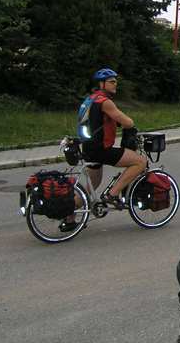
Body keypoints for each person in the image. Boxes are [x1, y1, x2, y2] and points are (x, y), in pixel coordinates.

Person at [61, 68, 146, 232]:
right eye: (111, 81)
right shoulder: (105, 101)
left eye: (116, 81)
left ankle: (68, 217)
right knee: (140, 161)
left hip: (88, 148)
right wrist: (127, 123)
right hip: (101, 150)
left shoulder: (90, 99)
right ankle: (112, 194)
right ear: (102, 84)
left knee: (92, 184)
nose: (115, 84)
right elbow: (127, 121)